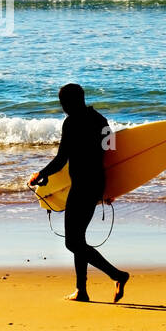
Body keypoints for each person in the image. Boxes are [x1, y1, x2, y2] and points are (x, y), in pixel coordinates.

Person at [28, 83, 129, 303]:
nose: (63, 108)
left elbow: (61, 159)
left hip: (82, 186)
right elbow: (110, 156)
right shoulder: (101, 121)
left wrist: (40, 175)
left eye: (63, 103)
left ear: (70, 102)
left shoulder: (72, 123)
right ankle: (81, 290)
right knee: (78, 239)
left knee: (72, 242)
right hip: (96, 185)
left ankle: (117, 275)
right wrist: (109, 189)